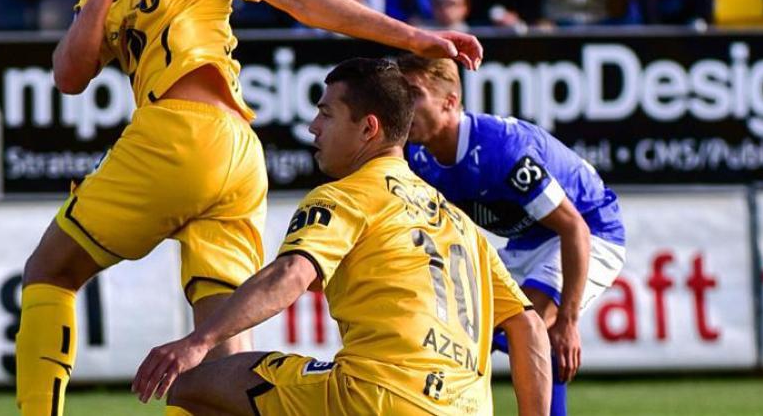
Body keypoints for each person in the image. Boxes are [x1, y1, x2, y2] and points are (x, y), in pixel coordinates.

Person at [15, 0, 484, 416]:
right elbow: (68, 74)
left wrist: (411, 37)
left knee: (49, 271)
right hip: (237, 156)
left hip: (180, 133)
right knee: (218, 353)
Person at [132, 58, 551, 416]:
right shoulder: (455, 220)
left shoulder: (346, 196)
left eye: (326, 113)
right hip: (468, 408)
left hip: (378, 396)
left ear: (368, 128)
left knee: (192, 384)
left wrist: (197, 341)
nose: (313, 126)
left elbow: (291, 274)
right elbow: (527, 324)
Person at [399, 55, 626, 416]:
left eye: (413, 94)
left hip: (591, 230)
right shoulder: (417, 158)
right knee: (459, 332)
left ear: (449, 101)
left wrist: (567, 321)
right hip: (528, 241)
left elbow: (574, 228)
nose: (403, 106)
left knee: (519, 327)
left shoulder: (501, 150)